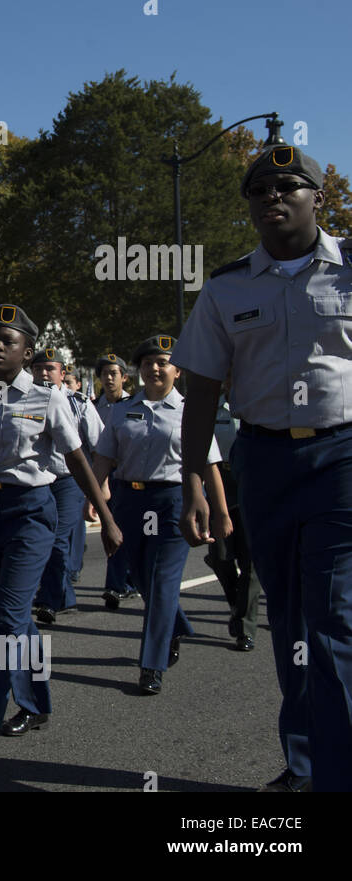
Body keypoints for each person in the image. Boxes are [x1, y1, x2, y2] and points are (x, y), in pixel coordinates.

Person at [175, 143, 352, 792]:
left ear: (317, 198)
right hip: (265, 459)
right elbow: (199, 392)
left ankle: (337, 773)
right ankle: (304, 761)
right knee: (289, 618)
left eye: (288, 186)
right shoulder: (225, 288)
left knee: (334, 612)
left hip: (342, 458)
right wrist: (194, 478)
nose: (273, 197)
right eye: (259, 190)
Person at [0, 304, 120, 762]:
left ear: (27, 351)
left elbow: (76, 460)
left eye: (8, 341)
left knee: (9, 618)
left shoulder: (49, 398)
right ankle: (35, 704)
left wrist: (106, 516)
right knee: (15, 618)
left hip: (33, 510)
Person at [90, 335, 228, 694]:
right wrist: (95, 497)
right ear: (139, 369)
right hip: (129, 502)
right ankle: (176, 624)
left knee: (163, 581)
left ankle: (152, 663)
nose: (155, 367)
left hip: (173, 502)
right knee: (140, 578)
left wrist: (221, 513)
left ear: (177, 370)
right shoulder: (122, 410)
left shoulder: (191, 413)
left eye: (163, 362)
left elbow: (210, 465)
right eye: (148, 362)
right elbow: (104, 456)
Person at [30, 347, 101, 624]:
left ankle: (51, 598)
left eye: (50, 369)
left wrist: (97, 489)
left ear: (62, 373)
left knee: (57, 539)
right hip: (38, 481)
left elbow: (99, 445)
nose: (44, 374)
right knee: (39, 539)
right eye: (38, 369)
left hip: (68, 481)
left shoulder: (79, 404)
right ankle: (63, 595)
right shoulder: (23, 400)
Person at [204, 374, 258, 652]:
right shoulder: (214, 407)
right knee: (221, 556)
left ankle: (244, 628)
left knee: (250, 562)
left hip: (254, 482)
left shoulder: (262, 405)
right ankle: (239, 603)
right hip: (220, 483)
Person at [92, 353, 138, 607]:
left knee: (129, 529)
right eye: (104, 374)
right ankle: (118, 583)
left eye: (114, 373)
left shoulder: (133, 405)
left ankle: (124, 581)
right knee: (112, 529)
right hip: (102, 474)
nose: (108, 378)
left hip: (126, 474)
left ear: (124, 377)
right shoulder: (94, 405)